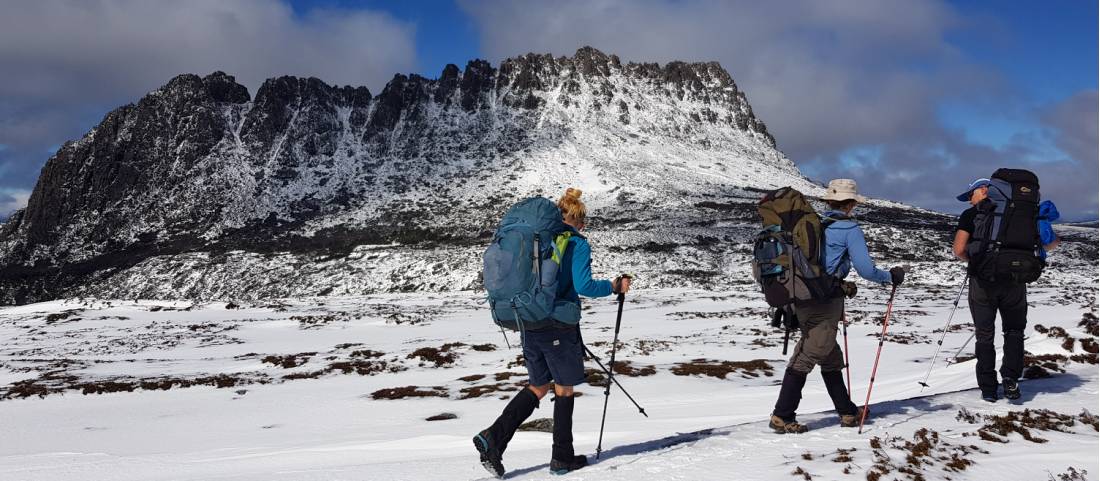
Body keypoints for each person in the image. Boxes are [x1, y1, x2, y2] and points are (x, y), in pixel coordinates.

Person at [474, 188, 631, 477]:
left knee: (539, 386)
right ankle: (562, 458)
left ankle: (493, 438)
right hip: (558, 323)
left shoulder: (539, 241)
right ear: (577, 220)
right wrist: (612, 286)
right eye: (583, 221)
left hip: (528, 320)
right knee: (564, 387)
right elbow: (583, 286)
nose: (584, 227)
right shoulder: (576, 244)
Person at [770, 179, 905, 434]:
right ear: (851, 204)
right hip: (826, 299)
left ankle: (847, 412)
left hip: (800, 296)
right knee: (809, 354)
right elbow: (866, 269)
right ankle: (782, 415)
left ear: (829, 201)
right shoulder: (848, 228)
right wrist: (890, 276)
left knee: (830, 355)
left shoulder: (814, 223)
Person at [952, 178, 1058, 402]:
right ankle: (1011, 378)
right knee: (1014, 331)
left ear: (984, 190)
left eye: (971, 195)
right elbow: (1050, 243)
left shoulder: (972, 215)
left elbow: (959, 249)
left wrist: (975, 260)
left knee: (984, 334)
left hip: (983, 282)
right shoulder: (1024, 214)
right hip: (1015, 281)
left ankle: (988, 389)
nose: (970, 201)